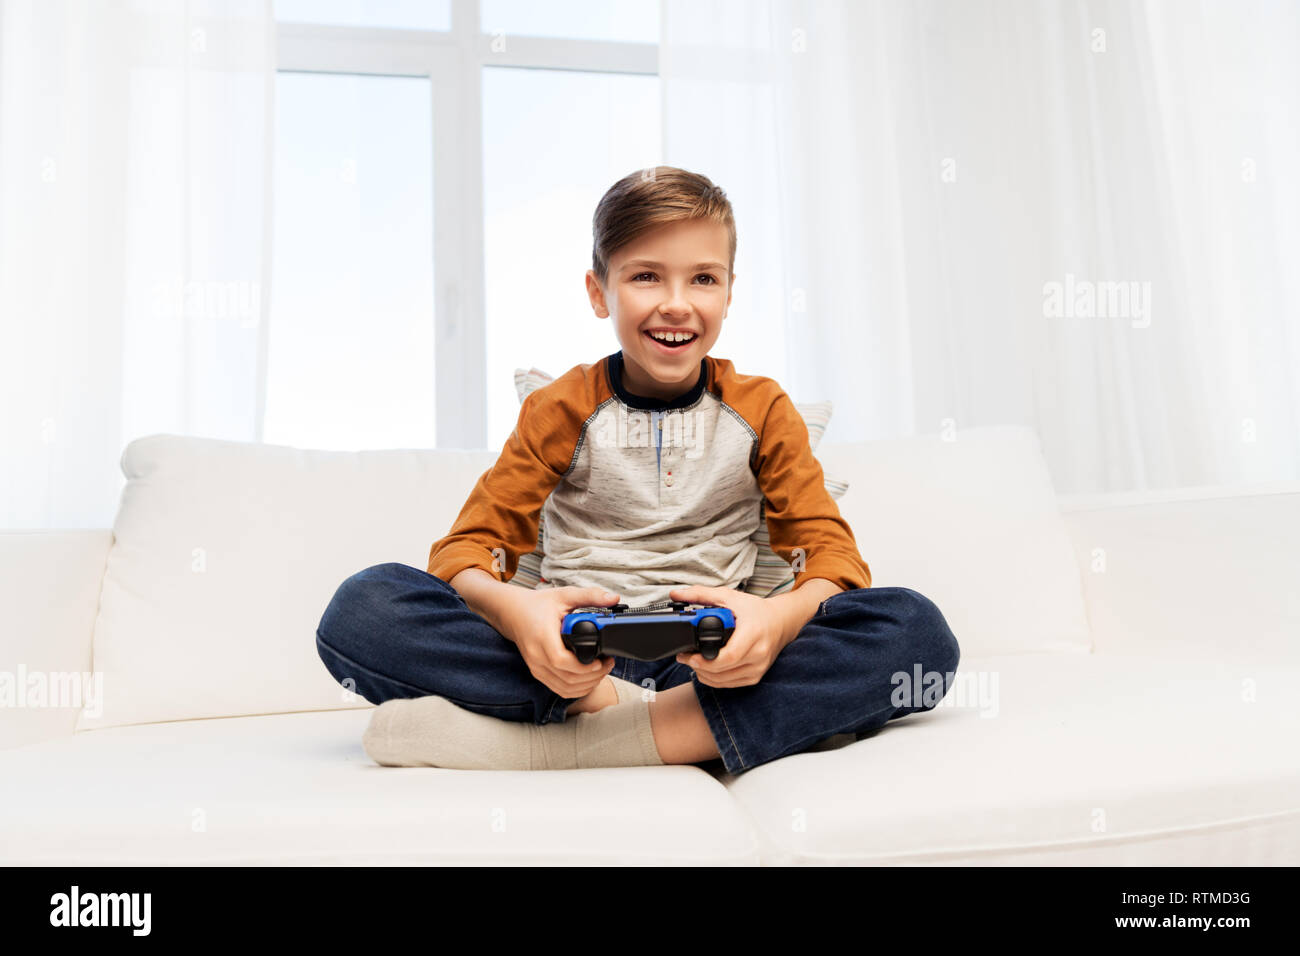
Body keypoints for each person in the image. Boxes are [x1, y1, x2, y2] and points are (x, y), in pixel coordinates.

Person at [315, 166, 960, 774]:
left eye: (703, 279)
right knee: (363, 609)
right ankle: (672, 730)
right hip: (572, 660)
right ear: (600, 292)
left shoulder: (762, 409)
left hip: (711, 663)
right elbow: (463, 553)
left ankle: (573, 747)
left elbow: (835, 563)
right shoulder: (560, 409)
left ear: (730, 293)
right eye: (646, 277)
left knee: (915, 630)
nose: (676, 304)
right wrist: (521, 617)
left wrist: (772, 622)